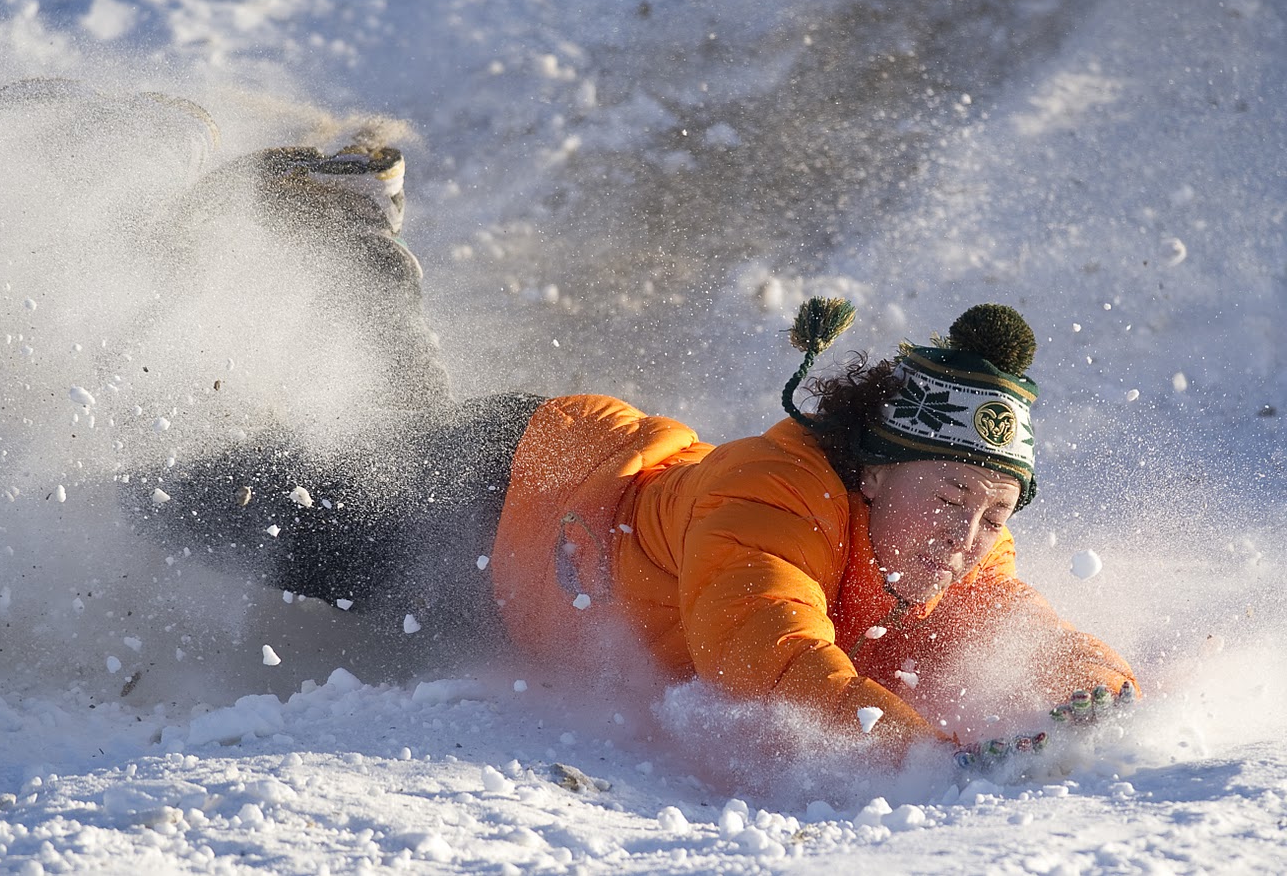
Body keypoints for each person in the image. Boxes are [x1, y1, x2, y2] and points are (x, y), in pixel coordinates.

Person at [132, 140, 1138, 763]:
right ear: (875, 470)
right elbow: (770, 656)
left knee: (382, 426)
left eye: (993, 513)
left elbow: (1028, 630)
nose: (966, 535)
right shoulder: (769, 498)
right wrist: (923, 758)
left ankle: (349, 236)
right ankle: (50, 481)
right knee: (219, 508)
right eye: (951, 493)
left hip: (544, 494)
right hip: (498, 499)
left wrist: (1099, 701)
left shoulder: (958, 555)